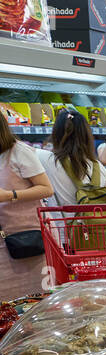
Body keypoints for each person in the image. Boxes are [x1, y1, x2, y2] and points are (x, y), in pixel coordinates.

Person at [0, 111, 54, 299]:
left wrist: (10, 195)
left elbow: (46, 189)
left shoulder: (18, 152)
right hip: (3, 243)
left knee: (34, 300)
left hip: (26, 240)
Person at [37, 109, 106, 207]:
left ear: (56, 134)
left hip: (60, 221)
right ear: (87, 135)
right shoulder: (101, 169)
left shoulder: (46, 159)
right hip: (94, 221)